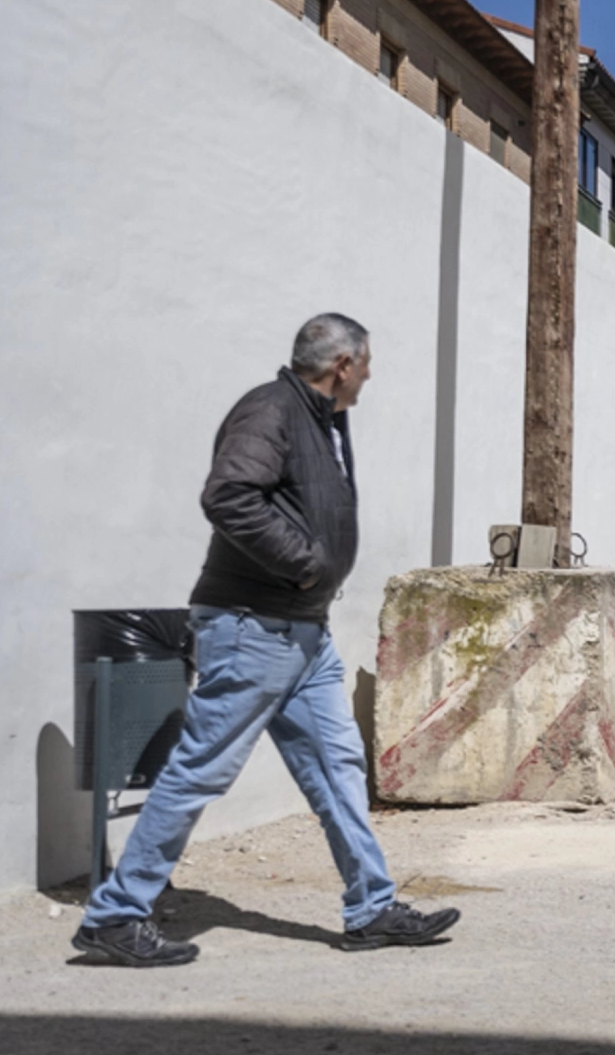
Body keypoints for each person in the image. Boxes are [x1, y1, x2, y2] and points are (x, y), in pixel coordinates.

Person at [72, 313, 457, 966]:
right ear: (343, 365)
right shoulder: (271, 411)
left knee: (339, 768)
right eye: (365, 365)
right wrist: (305, 563)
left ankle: (371, 907)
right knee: (200, 769)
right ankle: (113, 917)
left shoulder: (320, 419)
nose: (368, 377)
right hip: (253, 626)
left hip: (302, 633)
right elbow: (228, 495)